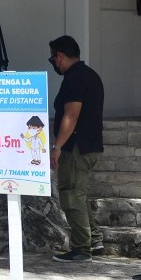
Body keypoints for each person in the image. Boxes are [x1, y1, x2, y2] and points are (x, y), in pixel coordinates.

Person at [47, 35, 105, 262]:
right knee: (79, 195)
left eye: (53, 58)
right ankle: (95, 239)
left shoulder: (74, 78)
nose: (53, 63)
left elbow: (71, 116)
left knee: (70, 196)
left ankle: (82, 248)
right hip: (90, 145)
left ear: (59, 55)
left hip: (76, 148)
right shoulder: (90, 75)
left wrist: (57, 146)